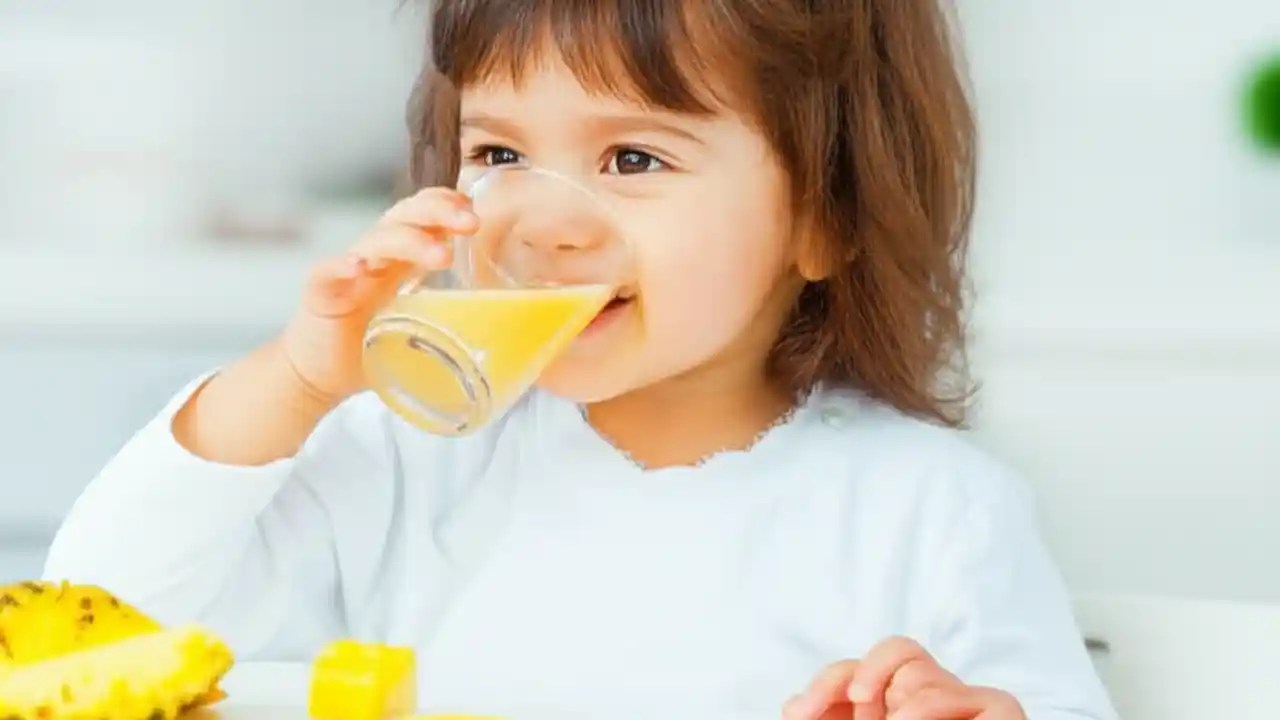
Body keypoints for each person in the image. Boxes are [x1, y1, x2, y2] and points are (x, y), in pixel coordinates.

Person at [44, 1, 1116, 718]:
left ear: (823, 216)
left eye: (633, 157)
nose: (542, 225)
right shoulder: (402, 457)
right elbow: (96, 631)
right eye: (499, 154)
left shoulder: (927, 512)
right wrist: (298, 382)